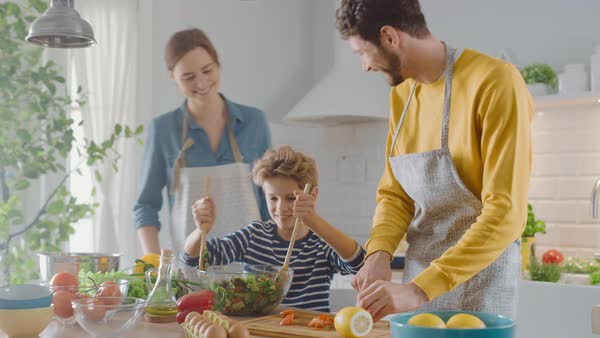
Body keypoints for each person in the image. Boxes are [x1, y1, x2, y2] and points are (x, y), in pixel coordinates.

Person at [336, 0, 533, 320]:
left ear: (389, 37)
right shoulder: (402, 95)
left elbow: (506, 214)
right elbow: (395, 194)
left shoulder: (495, 81)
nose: (365, 66)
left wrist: (418, 289)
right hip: (416, 290)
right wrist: (379, 252)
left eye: (361, 52)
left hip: (480, 289)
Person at [133, 28, 271, 255]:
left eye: (208, 70)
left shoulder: (255, 122)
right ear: (173, 77)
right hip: (190, 272)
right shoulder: (163, 130)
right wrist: (155, 265)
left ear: (218, 64)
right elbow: (145, 206)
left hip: (251, 268)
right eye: (188, 77)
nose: (201, 82)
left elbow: (269, 202)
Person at [181, 145, 366, 312]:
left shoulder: (322, 243)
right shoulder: (254, 235)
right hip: (260, 329)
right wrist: (200, 230)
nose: (281, 208)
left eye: (291, 198)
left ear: (313, 195)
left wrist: (314, 221)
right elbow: (193, 258)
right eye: (273, 198)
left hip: (309, 330)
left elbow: (361, 264)